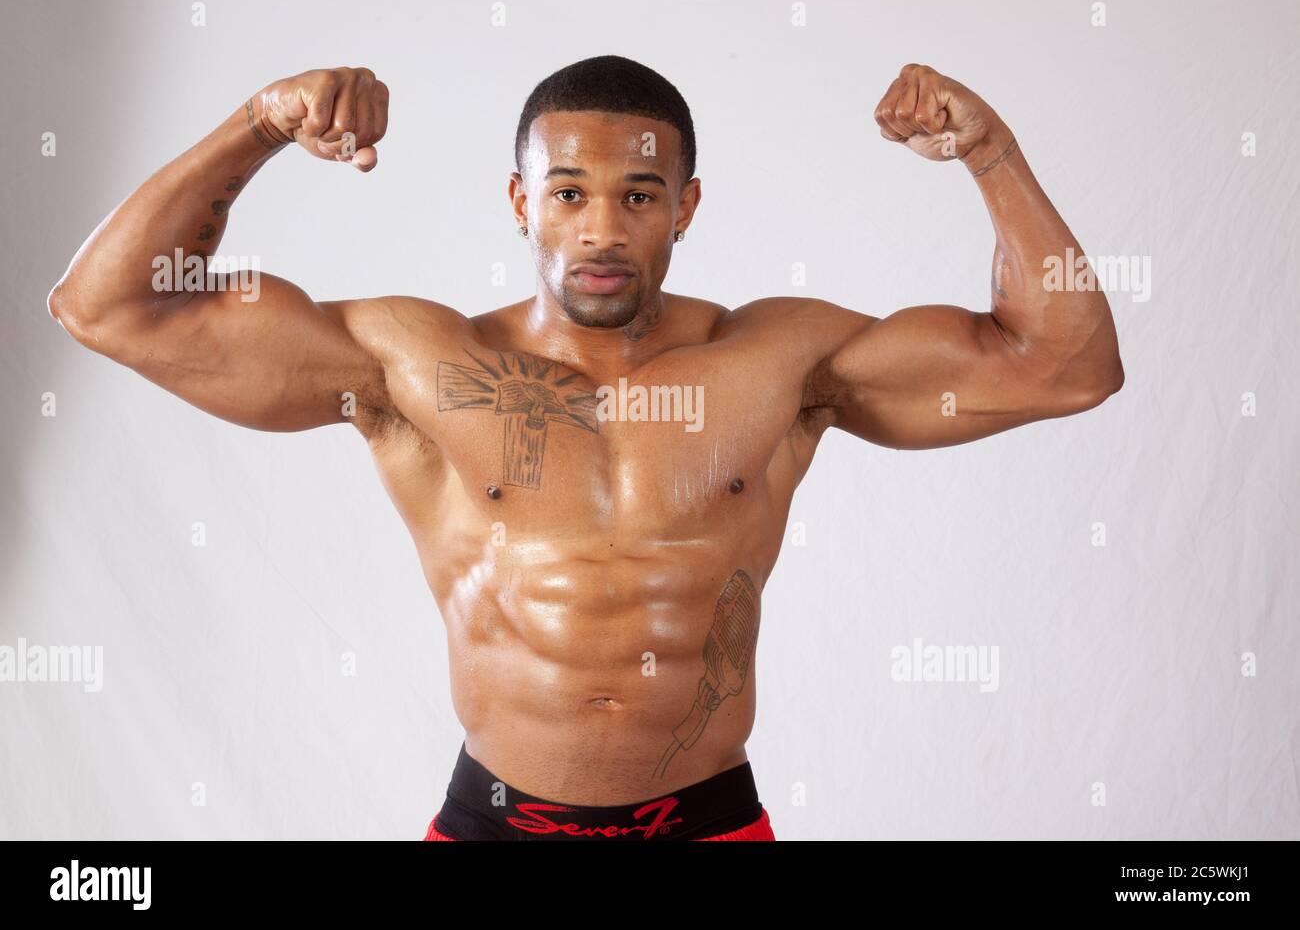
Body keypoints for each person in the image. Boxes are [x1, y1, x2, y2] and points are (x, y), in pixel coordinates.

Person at [47, 55, 1123, 840]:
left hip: (704, 824)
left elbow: (1063, 364)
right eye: (568, 193)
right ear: (523, 202)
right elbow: (109, 306)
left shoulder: (783, 357)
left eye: (638, 195)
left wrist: (990, 153)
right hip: (493, 825)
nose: (601, 228)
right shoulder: (412, 360)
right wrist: (259, 122)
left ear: (683, 207)